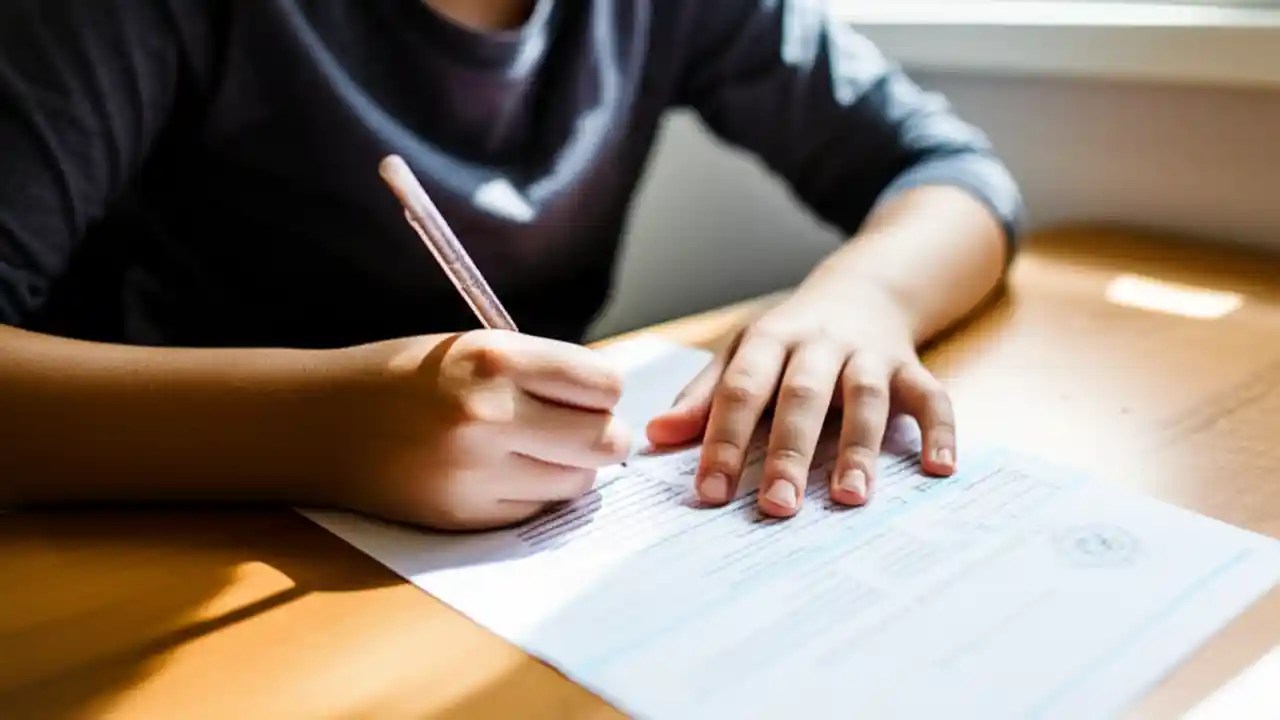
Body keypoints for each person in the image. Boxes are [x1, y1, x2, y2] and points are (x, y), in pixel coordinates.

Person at [0, 0, 1022, 529]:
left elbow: (948, 172)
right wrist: (326, 427)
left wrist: (863, 297)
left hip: (516, 549)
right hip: (170, 543)